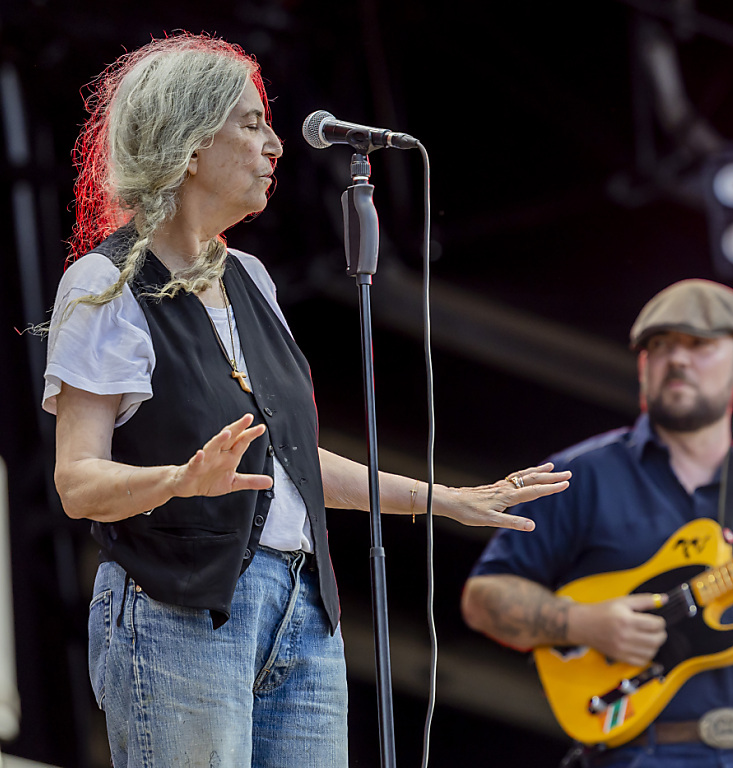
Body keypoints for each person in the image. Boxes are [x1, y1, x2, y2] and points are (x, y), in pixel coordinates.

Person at [41, 33, 570, 768]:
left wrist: (442, 499)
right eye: (251, 123)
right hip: (177, 610)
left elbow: (291, 462)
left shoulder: (251, 278)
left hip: (301, 607)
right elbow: (77, 483)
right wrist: (180, 483)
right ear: (190, 145)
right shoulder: (104, 286)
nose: (276, 146)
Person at [461, 279, 733, 767]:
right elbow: (483, 598)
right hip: (639, 754)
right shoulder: (579, 475)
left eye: (699, 345)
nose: (677, 359)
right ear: (643, 366)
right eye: (660, 346)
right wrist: (584, 623)